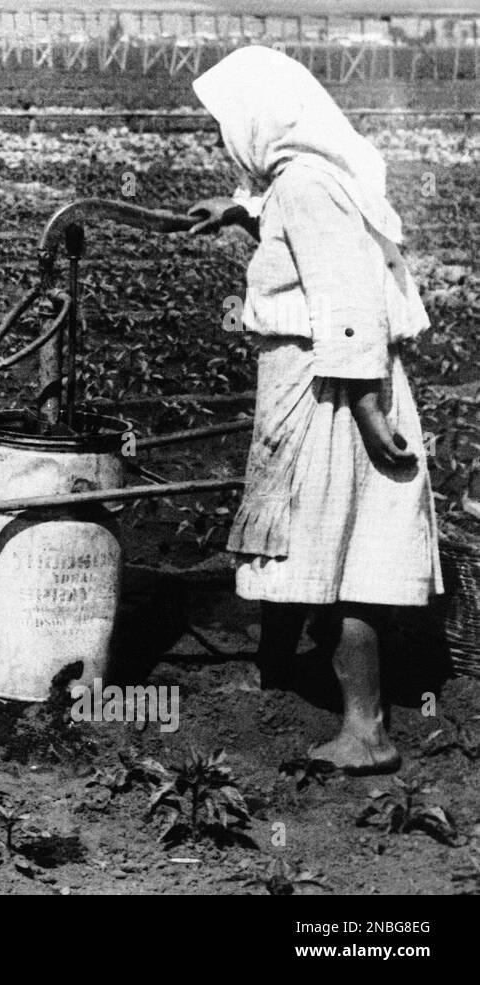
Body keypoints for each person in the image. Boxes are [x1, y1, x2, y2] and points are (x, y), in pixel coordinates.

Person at [187, 46, 443, 774]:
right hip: (322, 375)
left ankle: (367, 730)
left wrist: (365, 409)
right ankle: (282, 676)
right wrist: (240, 210)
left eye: (223, 124)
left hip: (333, 387)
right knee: (308, 534)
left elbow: (348, 302)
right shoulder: (314, 179)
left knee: (337, 545)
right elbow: (302, 244)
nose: (220, 139)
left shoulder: (305, 189)